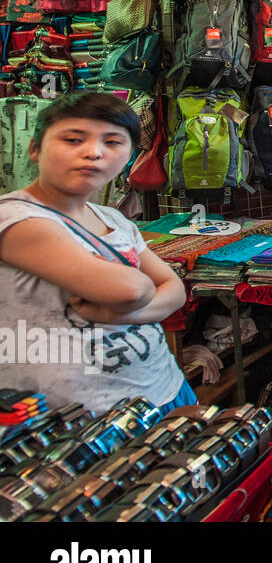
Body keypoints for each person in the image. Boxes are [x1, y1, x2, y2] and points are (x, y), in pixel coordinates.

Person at [0, 93, 192, 414]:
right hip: (80, 416)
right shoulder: (16, 219)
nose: (93, 152)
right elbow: (132, 288)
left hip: (161, 386)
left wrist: (117, 313)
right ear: (35, 148)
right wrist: (141, 293)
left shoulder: (111, 218)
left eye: (113, 142)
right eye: (73, 139)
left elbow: (173, 292)